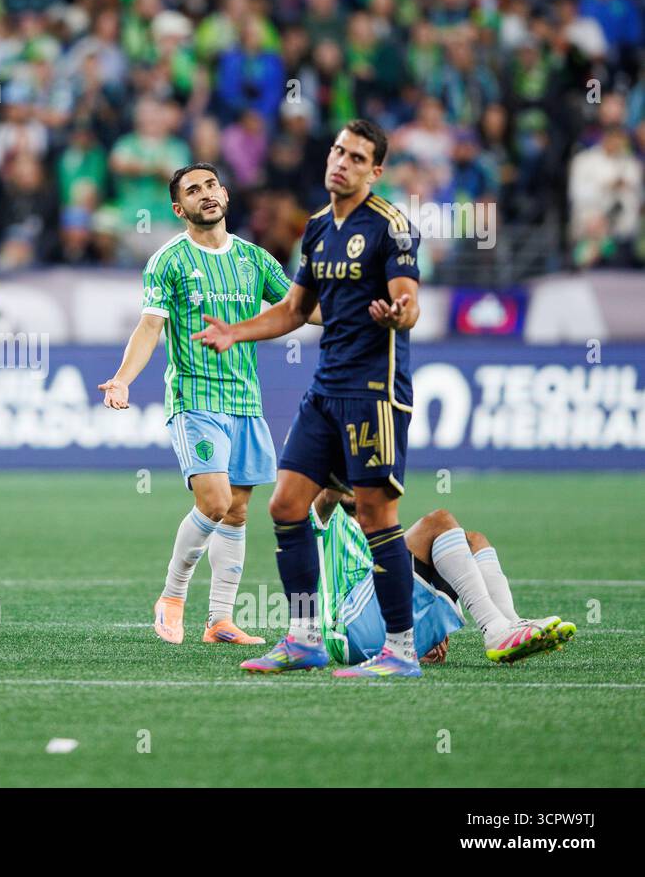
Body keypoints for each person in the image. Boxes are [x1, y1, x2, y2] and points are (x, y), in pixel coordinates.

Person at [195, 119, 469, 677]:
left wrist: (400, 314)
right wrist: (234, 332)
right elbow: (295, 310)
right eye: (338, 151)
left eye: (357, 157)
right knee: (286, 504)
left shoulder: (392, 226)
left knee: (374, 514)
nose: (341, 162)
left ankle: (399, 649)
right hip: (325, 391)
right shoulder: (318, 228)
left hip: (374, 394)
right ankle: (302, 637)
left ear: (376, 171)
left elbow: (409, 301)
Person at [100, 162, 316, 645]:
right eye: (194, 190)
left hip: (245, 401)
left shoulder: (255, 260)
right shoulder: (168, 261)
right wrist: (121, 380)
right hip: (195, 399)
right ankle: (172, 595)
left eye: (212, 185)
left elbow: (302, 309)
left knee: (237, 512)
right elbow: (150, 327)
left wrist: (355, 309)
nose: (207, 194)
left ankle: (219, 620)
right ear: (179, 208)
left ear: (226, 194)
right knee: (214, 501)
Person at [310, 489, 574, 667]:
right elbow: (324, 499)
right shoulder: (326, 517)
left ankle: (511, 624)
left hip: (381, 622)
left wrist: (424, 630)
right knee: (438, 521)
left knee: (473, 541)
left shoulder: (378, 521)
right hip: (348, 628)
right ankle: (494, 630)